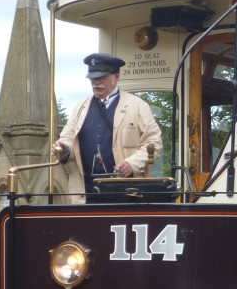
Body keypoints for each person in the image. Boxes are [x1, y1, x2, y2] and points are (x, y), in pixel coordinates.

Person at [52, 53, 163, 198]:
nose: (96, 83)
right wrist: (64, 149)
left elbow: (154, 144)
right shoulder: (80, 108)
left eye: (101, 77)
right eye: (92, 78)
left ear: (116, 77)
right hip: (85, 192)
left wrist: (132, 163)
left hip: (126, 192)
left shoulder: (137, 106)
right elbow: (67, 139)